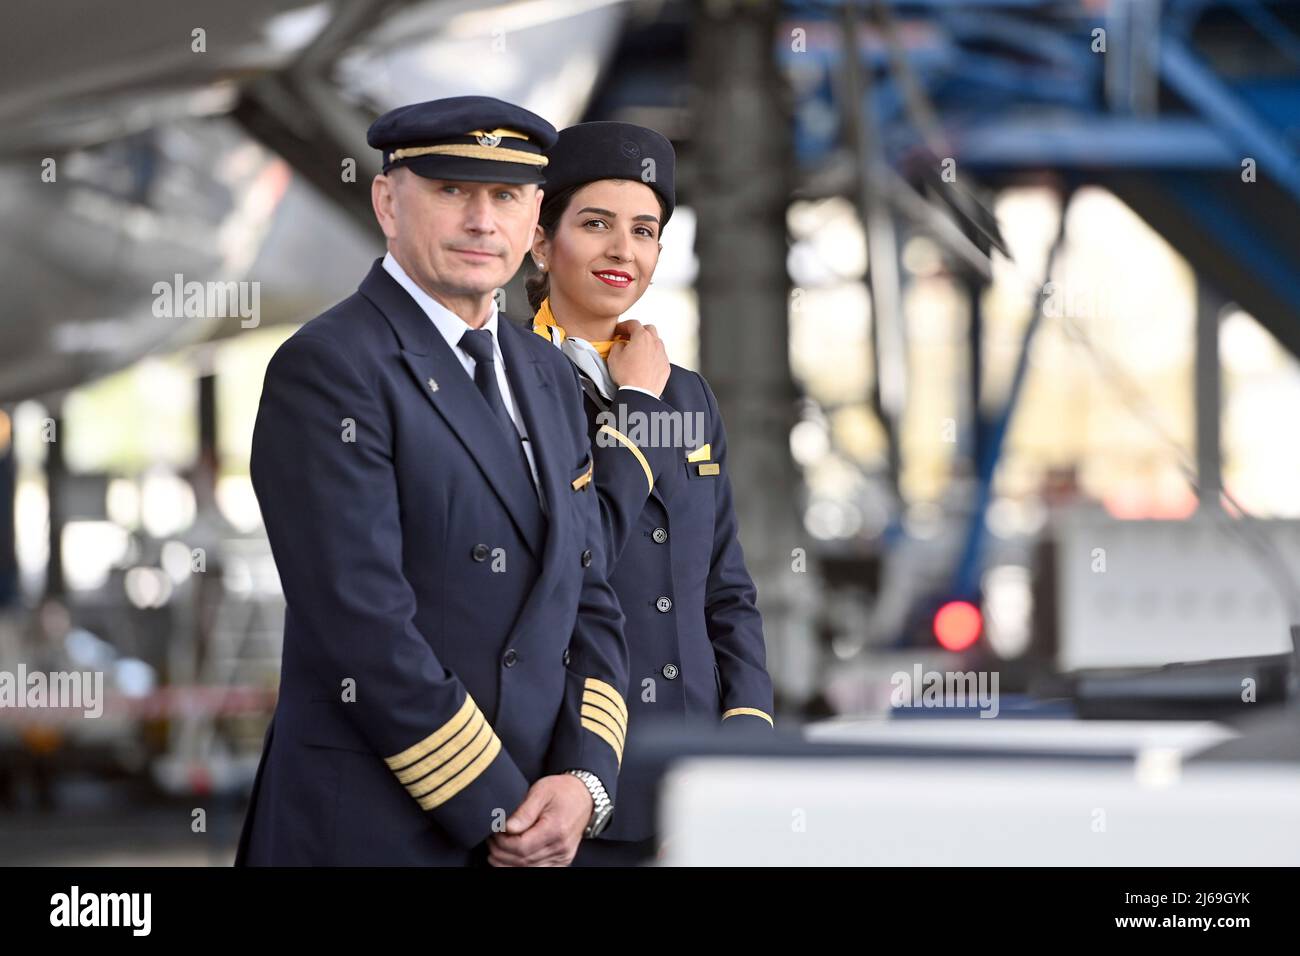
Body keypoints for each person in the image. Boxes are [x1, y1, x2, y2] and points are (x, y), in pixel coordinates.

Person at [236, 96, 629, 866]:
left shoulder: (551, 376)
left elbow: (592, 597)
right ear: (388, 201)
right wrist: (499, 806)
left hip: (536, 830)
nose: (482, 221)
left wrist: (583, 779)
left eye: (507, 197)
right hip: (377, 832)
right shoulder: (330, 369)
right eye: (452, 190)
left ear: (535, 219)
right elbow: (361, 622)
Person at [526, 121, 774, 865]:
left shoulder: (689, 393)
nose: (622, 251)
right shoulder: (509, 384)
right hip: (568, 769)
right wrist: (635, 404)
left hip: (697, 771)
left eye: (645, 230)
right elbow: (578, 551)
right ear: (541, 242)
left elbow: (724, 583)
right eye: (595, 224)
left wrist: (748, 720)